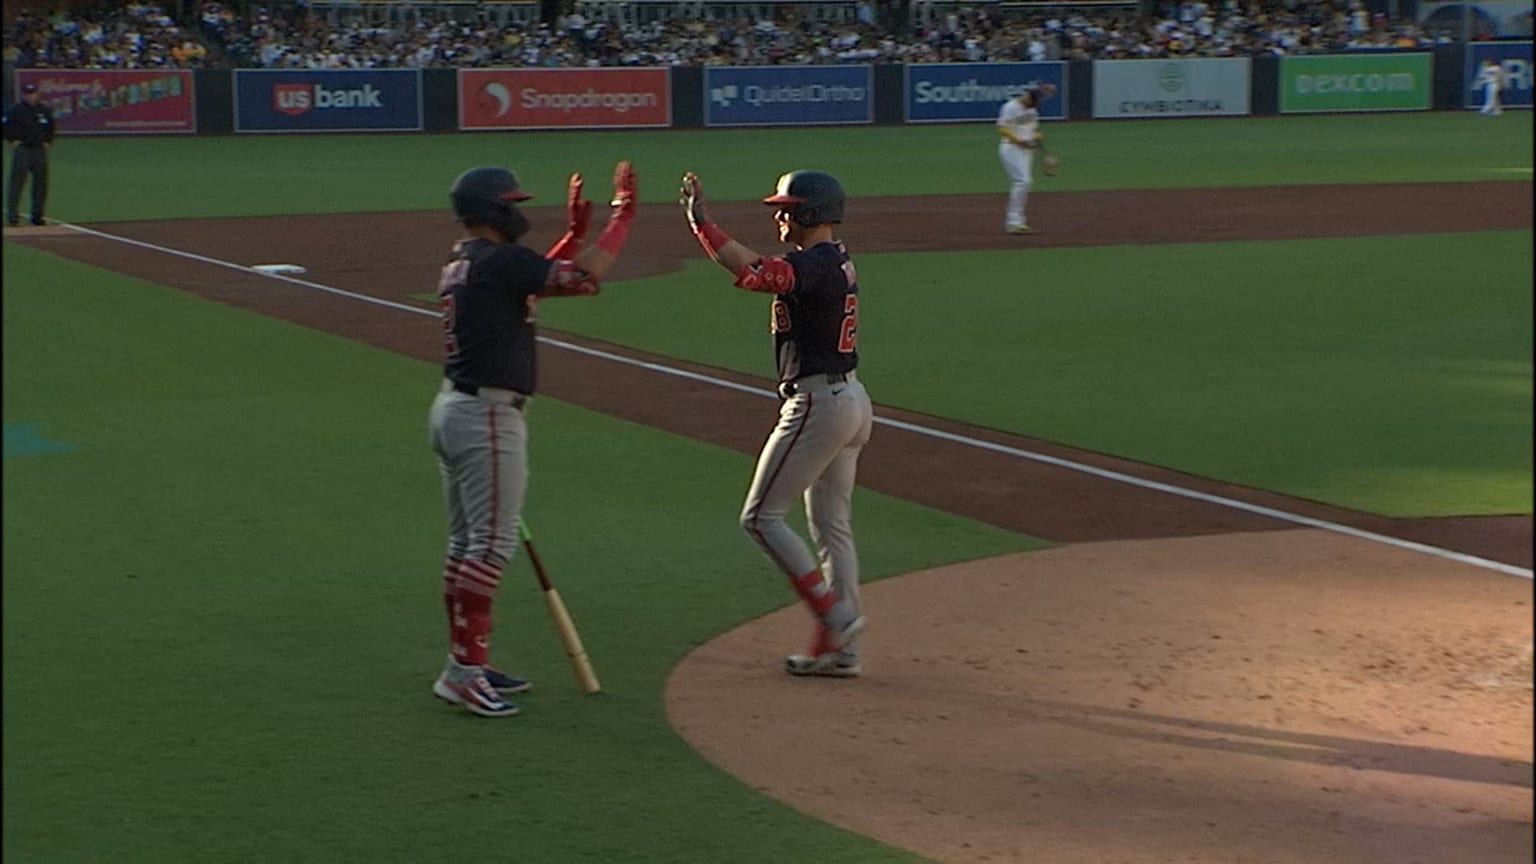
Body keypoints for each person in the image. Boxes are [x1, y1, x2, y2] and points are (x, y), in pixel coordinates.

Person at [429, 161, 637, 717]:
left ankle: (463, 663)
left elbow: (534, 276)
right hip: (488, 419)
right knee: (489, 548)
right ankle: (465, 672)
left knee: (465, 545)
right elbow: (584, 278)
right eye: (513, 204)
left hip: (455, 409)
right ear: (493, 210)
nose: (520, 213)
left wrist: (573, 234)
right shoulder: (500, 262)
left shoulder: (467, 261)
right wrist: (621, 219)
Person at [679, 169, 874, 678]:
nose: (781, 217)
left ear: (812, 213)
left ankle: (835, 616)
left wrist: (703, 223)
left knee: (761, 517)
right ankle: (842, 648)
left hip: (819, 405)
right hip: (851, 398)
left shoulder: (815, 266)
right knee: (832, 527)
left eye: (788, 209)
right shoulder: (834, 260)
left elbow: (751, 271)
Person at [996, 82, 1056, 235]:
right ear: (1028, 97)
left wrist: (1043, 149)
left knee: (1025, 182)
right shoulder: (1010, 107)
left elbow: (1034, 130)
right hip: (1010, 148)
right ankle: (1013, 222)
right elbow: (1002, 128)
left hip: (1026, 151)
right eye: (1034, 101)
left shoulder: (1033, 110)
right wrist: (1018, 140)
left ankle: (1018, 221)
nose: (1034, 105)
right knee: (1023, 181)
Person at [4, 83, 55, 228]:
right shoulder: (15, 110)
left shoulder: (43, 110)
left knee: (41, 184)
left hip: (39, 149)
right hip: (23, 149)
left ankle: (37, 216)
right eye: (28, 94)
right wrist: (12, 141)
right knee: (17, 183)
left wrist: (48, 142)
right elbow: (6, 126)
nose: (31, 96)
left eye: (33, 93)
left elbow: (51, 127)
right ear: (23, 95)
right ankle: (13, 217)